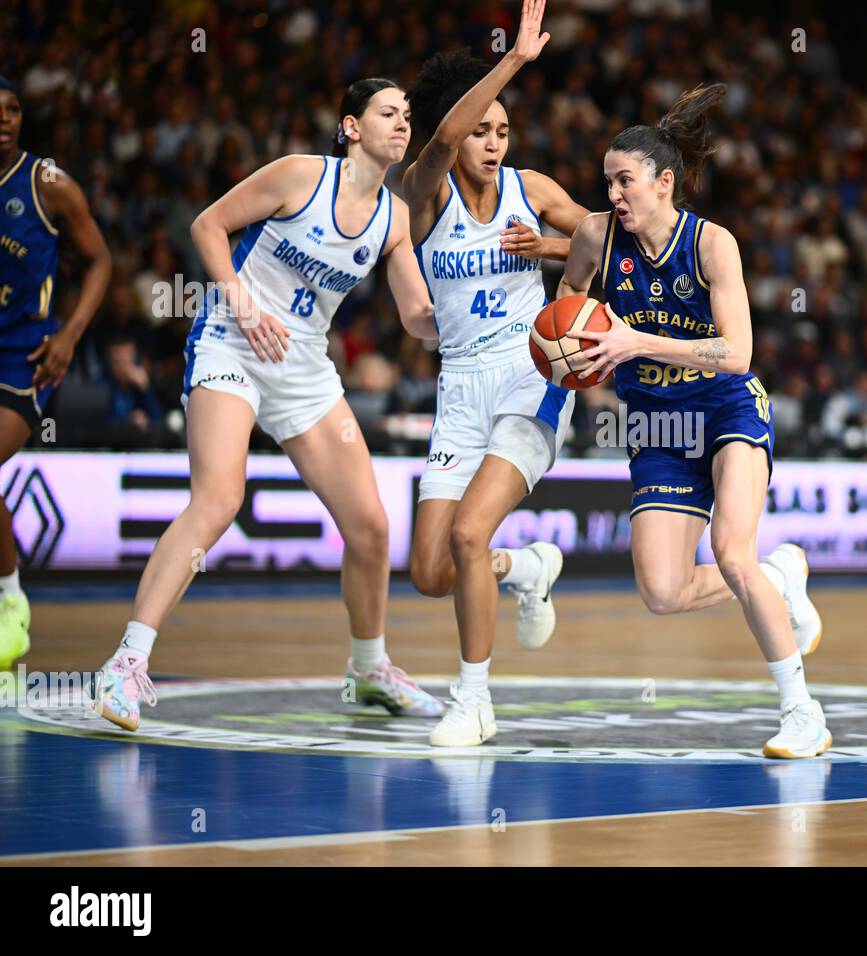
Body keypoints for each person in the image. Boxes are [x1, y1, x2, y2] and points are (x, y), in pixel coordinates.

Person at [92, 77, 443, 730]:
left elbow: (419, 318)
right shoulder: (299, 176)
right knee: (220, 497)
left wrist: (473, 315)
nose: (403, 124)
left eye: (407, 115)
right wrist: (241, 299)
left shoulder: (395, 217)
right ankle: (126, 662)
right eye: (388, 113)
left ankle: (369, 669)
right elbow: (208, 226)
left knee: (370, 527)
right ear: (351, 127)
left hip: (303, 367)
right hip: (231, 341)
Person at [557, 83, 829, 758]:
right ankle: (782, 575)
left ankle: (802, 712)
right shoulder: (596, 235)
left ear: (664, 181)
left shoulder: (712, 244)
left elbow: (736, 355)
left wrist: (635, 342)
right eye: (607, 182)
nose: (614, 193)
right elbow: (569, 293)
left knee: (732, 553)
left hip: (726, 407)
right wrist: (571, 347)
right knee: (662, 591)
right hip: (655, 425)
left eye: (625, 181)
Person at [401, 0, 592, 747]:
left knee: (469, 534)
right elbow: (441, 144)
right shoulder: (425, 192)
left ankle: (474, 701)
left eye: (502, 129)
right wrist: (512, 59)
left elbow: (605, 238)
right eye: (480, 127)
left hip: (529, 373)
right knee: (430, 570)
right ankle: (530, 567)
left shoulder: (532, 190)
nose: (492, 141)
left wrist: (549, 249)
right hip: (460, 384)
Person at [0, 76, 111, 670]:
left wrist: (68, 335)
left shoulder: (48, 185)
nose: (6, 119)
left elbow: (100, 260)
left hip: (23, 357)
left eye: (13, 109)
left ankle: (11, 604)